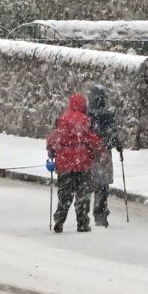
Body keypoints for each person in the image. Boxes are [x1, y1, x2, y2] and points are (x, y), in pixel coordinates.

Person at [47, 94, 103, 233]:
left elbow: (54, 139)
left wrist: (52, 151)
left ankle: (59, 219)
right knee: (82, 195)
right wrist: (96, 151)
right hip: (82, 164)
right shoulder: (85, 120)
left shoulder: (62, 119)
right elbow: (92, 140)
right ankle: (82, 222)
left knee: (65, 194)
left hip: (65, 165)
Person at [87, 84, 124, 228]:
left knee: (90, 183)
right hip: (104, 153)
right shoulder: (108, 116)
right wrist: (118, 146)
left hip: (90, 153)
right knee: (103, 185)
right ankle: (100, 213)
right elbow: (113, 134)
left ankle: (84, 213)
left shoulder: (87, 115)